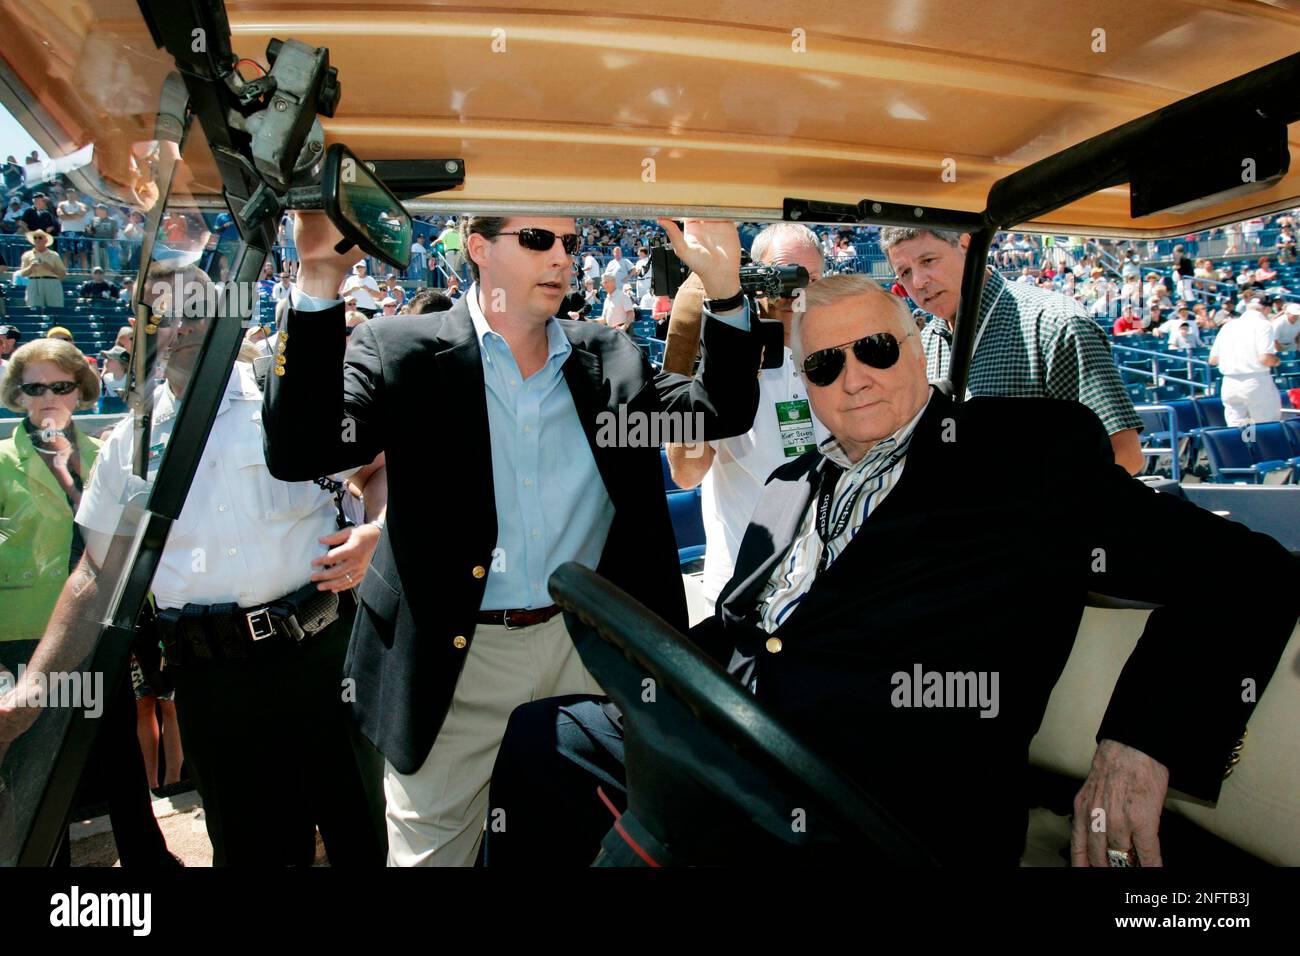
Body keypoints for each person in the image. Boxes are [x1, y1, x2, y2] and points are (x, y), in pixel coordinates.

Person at [485, 274, 1299, 868]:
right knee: (539, 739)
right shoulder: (786, 488)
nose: (855, 376)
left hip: (876, 808)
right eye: (824, 365)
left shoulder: (1022, 456)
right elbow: (743, 637)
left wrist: (1139, 741)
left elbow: (1248, 571)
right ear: (805, 386)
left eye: (874, 348)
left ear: (918, 348)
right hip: (736, 752)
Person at [261, 212, 762, 866]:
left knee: (584, 841)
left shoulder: (608, 354)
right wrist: (321, 278)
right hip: (452, 656)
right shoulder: (399, 348)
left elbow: (719, 409)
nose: (561, 257)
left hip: (585, 651)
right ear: (477, 247)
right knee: (433, 856)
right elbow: (301, 448)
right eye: (537, 240)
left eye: (571, 243)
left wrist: (725, 290)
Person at [1, 264, 391, 866]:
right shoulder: (129, 444)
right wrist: (32, 687)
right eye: (162, 315)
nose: (179, 326)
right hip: (214, 683)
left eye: (195, 310)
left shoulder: (286, 399)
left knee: (365, 838)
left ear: (230, 321)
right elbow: (96, 576)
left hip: (325, 661)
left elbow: (377, 467)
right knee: (251, 852)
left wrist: (375, 532)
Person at [882, 227, 1144, 474]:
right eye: (904, 272)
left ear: (967, 245)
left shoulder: (1055, 323)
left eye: (928, 261)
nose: (918, 282)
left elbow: (1124, 453)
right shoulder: (925, 343)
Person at [664, 222, 829, 611]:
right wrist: (687, 361)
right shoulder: (728, 360)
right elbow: (686, 473)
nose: (797, 291)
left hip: (826, 578)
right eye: (784, 275)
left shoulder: (841, 351)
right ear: (754, 277)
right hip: (742, 585)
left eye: (811, 278)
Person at [1208, 307, 1281, 427]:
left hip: (1229, 383)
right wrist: (1277, 361)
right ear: (1266, 310)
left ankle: (1243, 445)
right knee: (1265, 427)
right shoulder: (1263, 325)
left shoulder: (1228, 326)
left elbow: (1213, 360)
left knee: (1237, 428)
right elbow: (1265, 358)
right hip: (1255, 380)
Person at [17, 230, 67, 311]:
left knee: (55, 308)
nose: (37, 240)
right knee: (34, 309)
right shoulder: (27, 255)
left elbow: (63, 274)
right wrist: (30, 267)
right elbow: (22, 273)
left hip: (52, 282)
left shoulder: (54, 255)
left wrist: (50, 268)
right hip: (34, 283)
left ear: (46, 240)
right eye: (35, 238)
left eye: (40, 237)